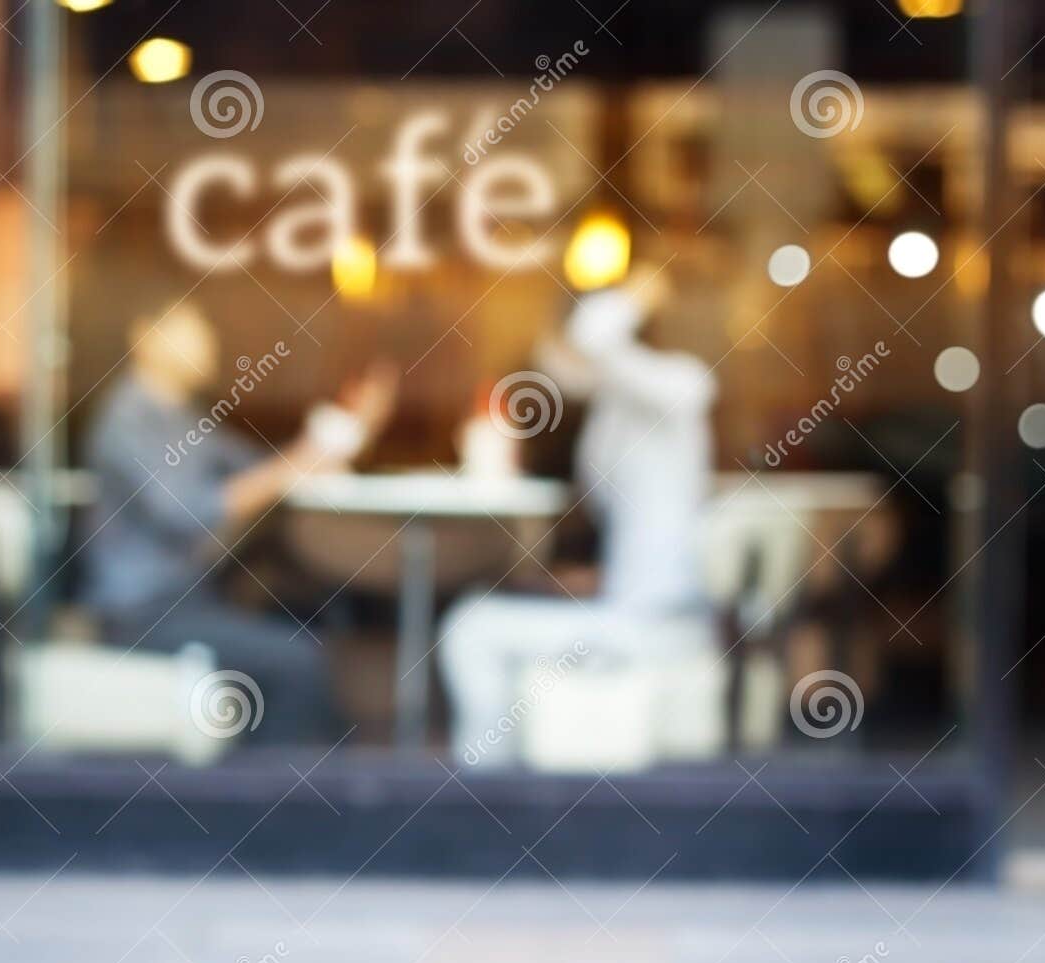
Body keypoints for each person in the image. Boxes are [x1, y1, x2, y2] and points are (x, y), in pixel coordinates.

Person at [437, 267, 717, 766]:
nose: (555, 360)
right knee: (481, 621)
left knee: (469, 631)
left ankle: (480, 794)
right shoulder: (608, 414)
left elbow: (596, 337)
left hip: (657, 619)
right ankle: (501, 789)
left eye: (563, 345)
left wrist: (634, 296)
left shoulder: (678, 385)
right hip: (625, 603)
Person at [82, 301, 395, 745]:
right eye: (193, 329)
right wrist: (293, 466)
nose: (208, 342)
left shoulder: (183, 418)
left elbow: (267, 468)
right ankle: (282, 801)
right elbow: (189, 512)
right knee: (300, 662)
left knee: (307, 629)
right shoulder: (129, 420)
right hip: (141, 615)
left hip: (192, 601)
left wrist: (350, 429)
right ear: (145, 335)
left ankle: (277, 790)